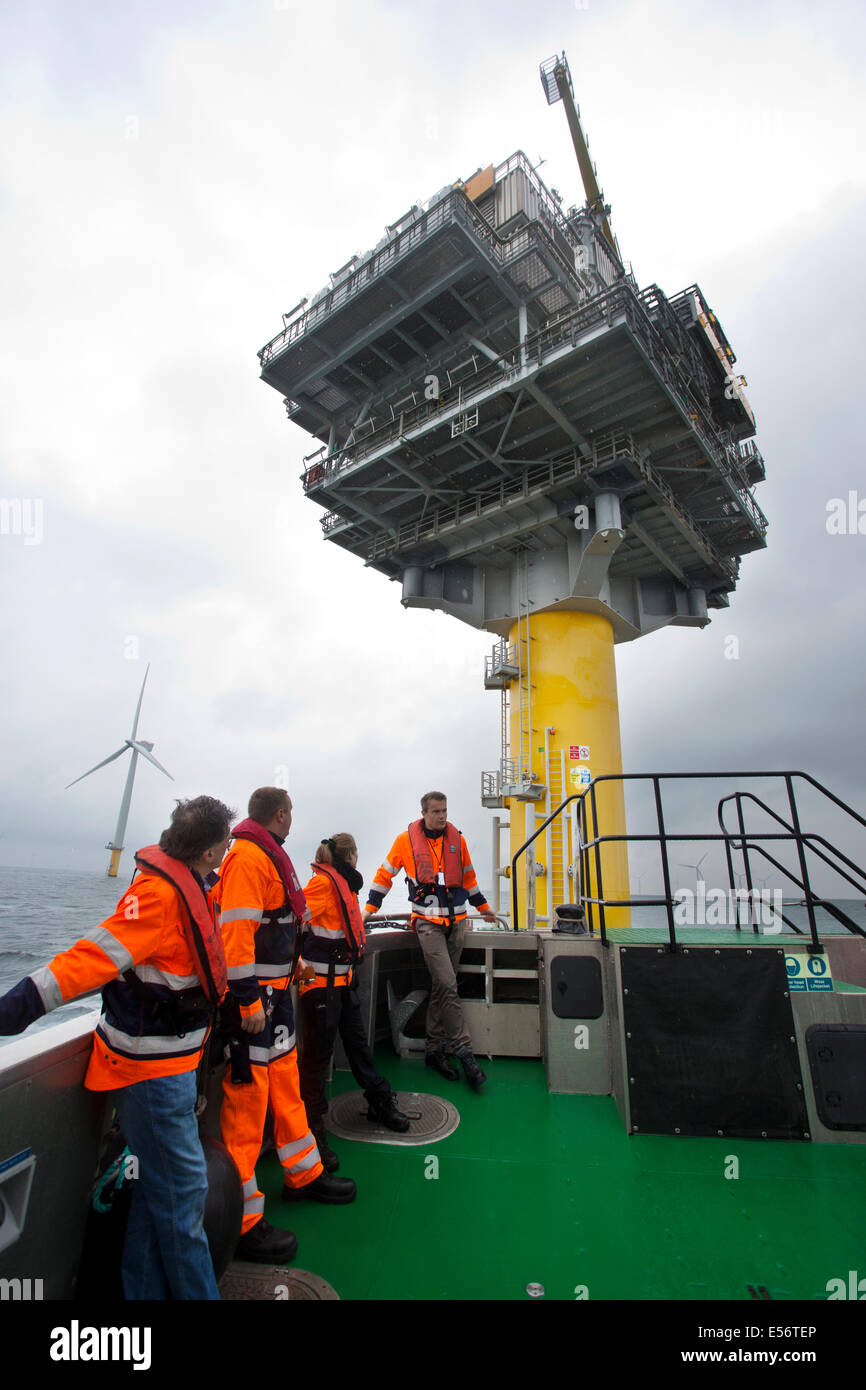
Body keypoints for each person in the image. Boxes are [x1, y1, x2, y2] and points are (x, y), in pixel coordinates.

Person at [0, 795, 235, 1300]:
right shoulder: (158, 897)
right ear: (212, 852)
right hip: (150, 1076)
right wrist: (11, 1010)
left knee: (158, 1199)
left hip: (175, 1064)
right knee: (186, 1197)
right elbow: (88, 960)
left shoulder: (192, 884)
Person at [216, 787, 355, 1264]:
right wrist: (247, 1000)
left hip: (277, 999)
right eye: (292, 811)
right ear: (281, 814)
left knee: (285, 1084)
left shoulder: (267, 857)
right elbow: (235, 933)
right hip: (254, 1005)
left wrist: (289, 973)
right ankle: (242, 1218)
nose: (294, 818)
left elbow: (274, 928)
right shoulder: (249, 860)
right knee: (247, 1104)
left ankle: (303, 1174)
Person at [363, 791, 496, 1090]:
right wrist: (368, 911)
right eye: (436, 811)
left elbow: (470, 880)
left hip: (457, 924)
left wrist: (485, 909)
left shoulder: (457, 840)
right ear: (423, 813)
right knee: (448, 985)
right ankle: (465, 1052)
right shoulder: (404, 841)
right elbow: (384, 876)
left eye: (445, 811)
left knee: (441, 986)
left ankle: (435, 1050)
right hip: (427, 926)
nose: (442, 816)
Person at [297, 833, 410, 1171]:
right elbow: (295, 920)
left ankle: (379, 1100)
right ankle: (311, 1131)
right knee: (317, 1059)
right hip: (320, 987)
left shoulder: (343, 885)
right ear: (350, 856)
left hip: (343, 983)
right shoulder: (322, 885)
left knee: (359, 1046)